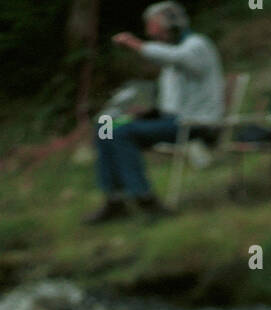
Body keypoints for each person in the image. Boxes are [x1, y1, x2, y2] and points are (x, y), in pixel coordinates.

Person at [85, 2, 224, 223]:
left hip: (197, 124)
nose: (150, 33)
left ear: (170, 24)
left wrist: (135, 44)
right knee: (106, 127)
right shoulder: (175, 52)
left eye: (153, 27)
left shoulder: (197, 45)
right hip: (174, 120)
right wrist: (148, 113)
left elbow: (178, 58)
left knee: (121, 133)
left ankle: (144, 198)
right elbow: (175, 99)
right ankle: (115, 200)